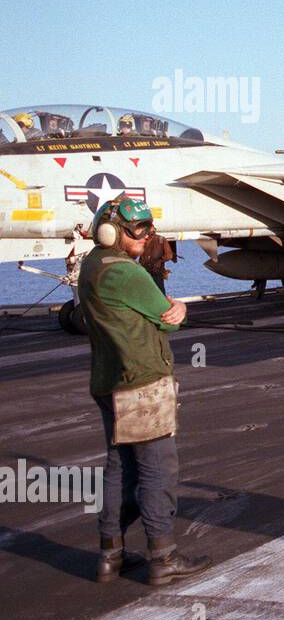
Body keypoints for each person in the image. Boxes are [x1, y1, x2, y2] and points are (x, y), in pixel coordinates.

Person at [78, 195, 211, 586]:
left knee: (120, 468)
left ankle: (111, 555)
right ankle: (164, 558)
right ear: (111, 230)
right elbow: (168, 319)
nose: (146, 234)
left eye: (149, 226)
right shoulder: (128, 273)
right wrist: (181, 309)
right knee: (157, 471)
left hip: (107, 381)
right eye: (137, 228)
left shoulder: (91, 265)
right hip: (142, 384)